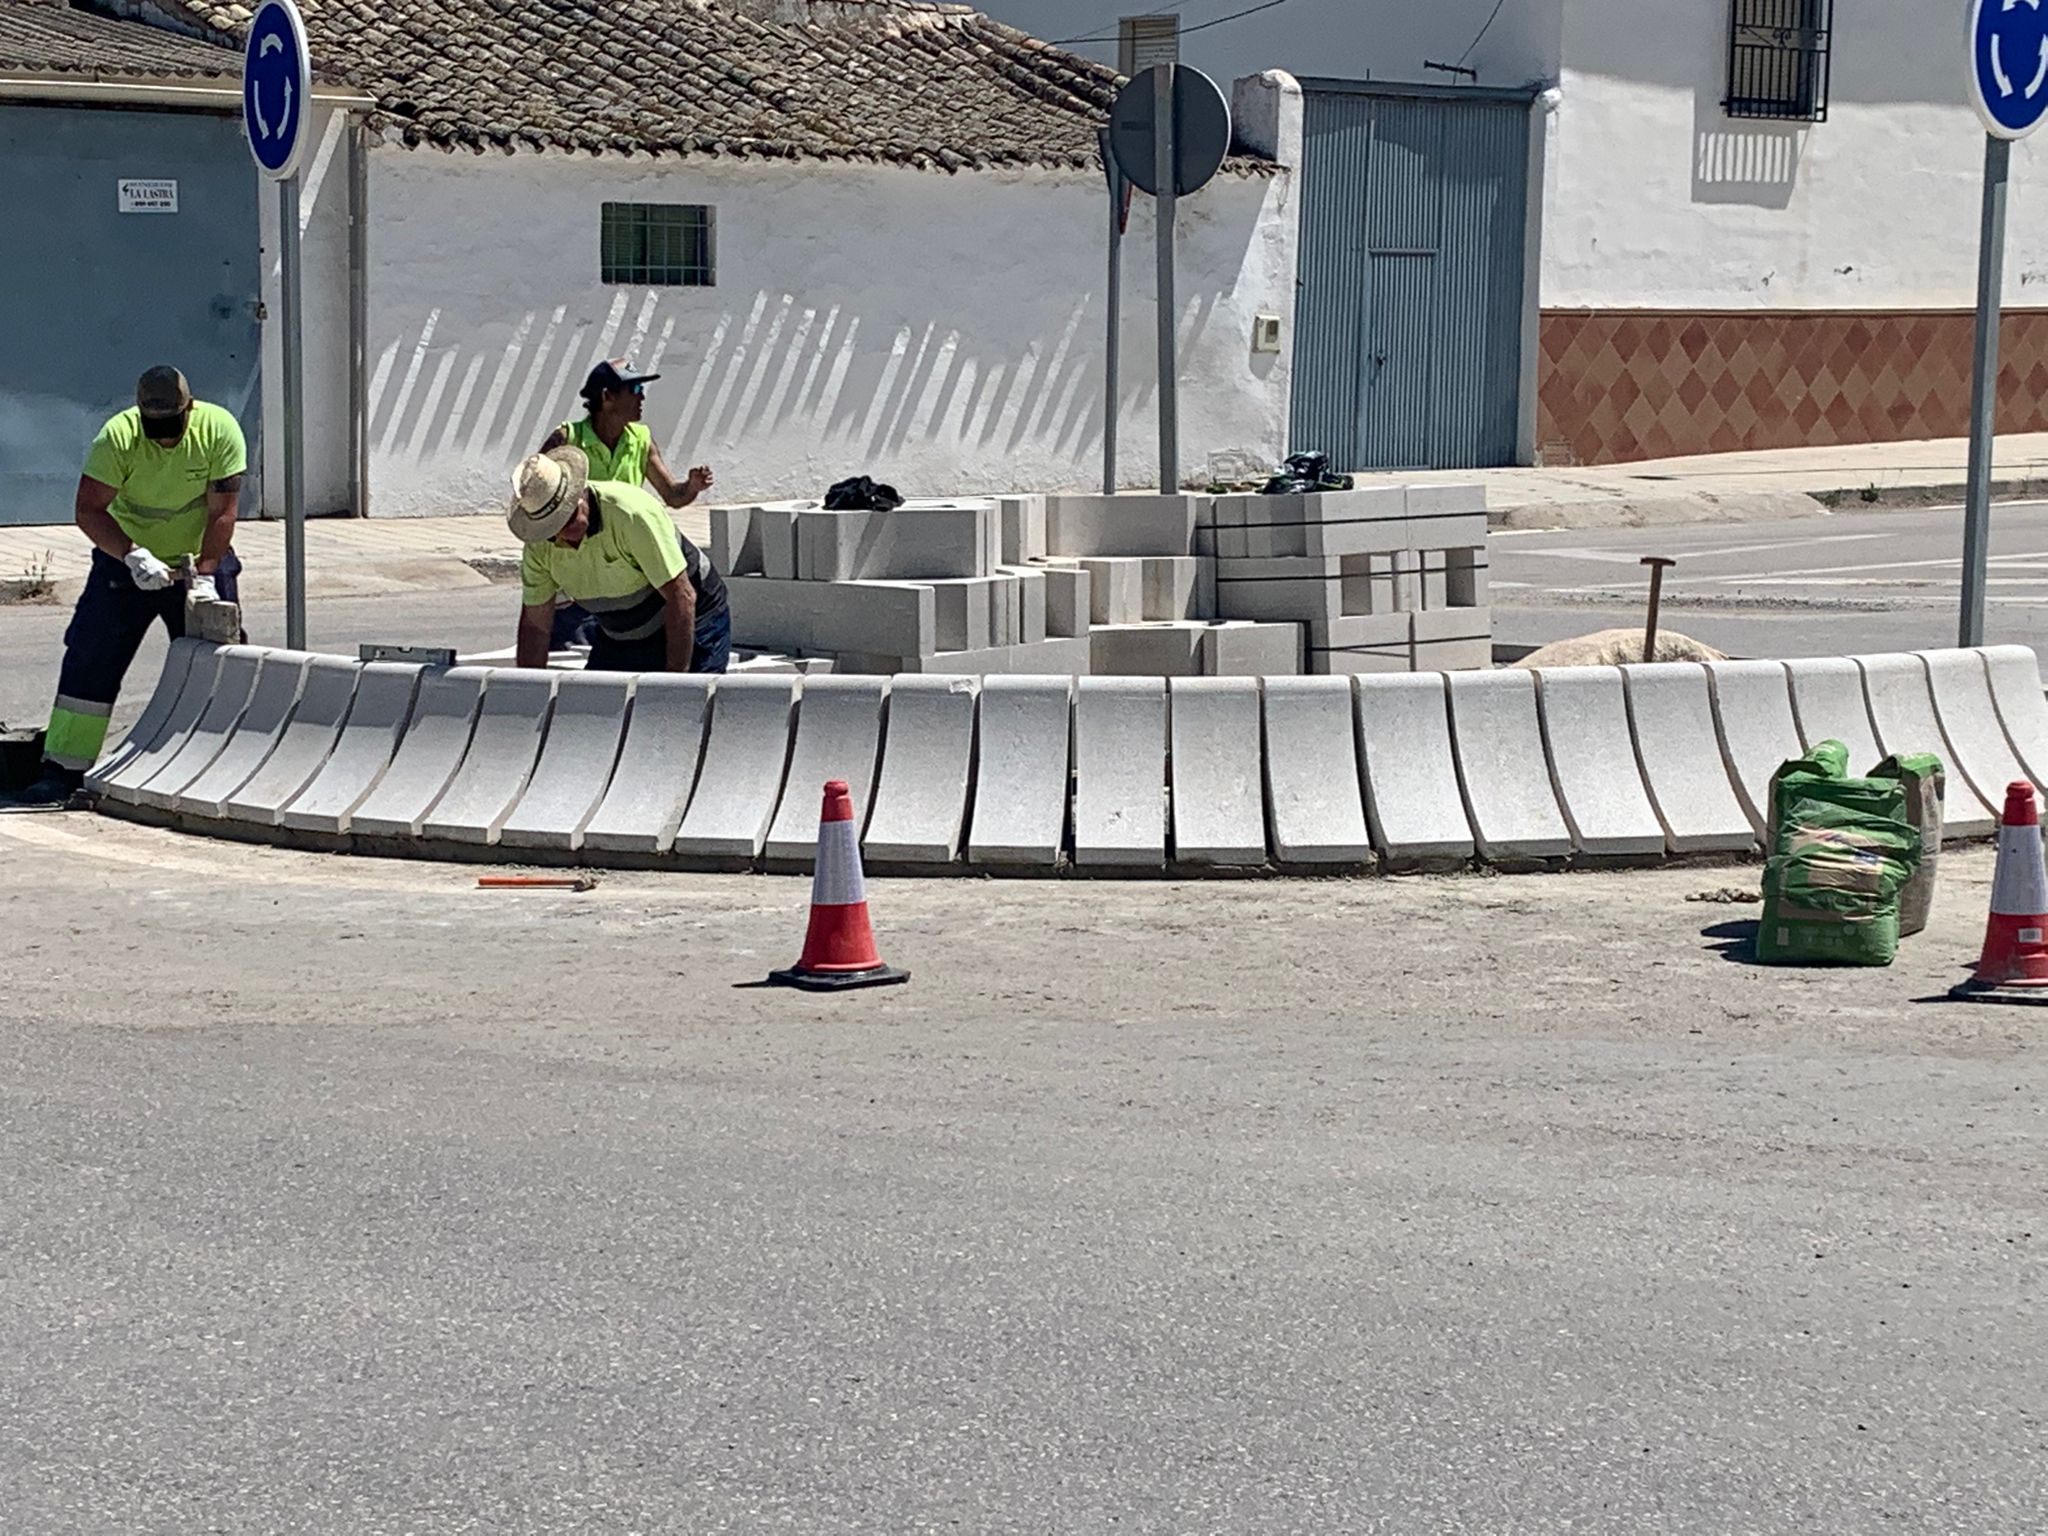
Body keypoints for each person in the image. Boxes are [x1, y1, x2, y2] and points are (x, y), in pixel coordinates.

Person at [9, 366, 245, 806]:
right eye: (155, 426)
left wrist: (207, 576)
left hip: (199, 565)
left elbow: (222, 513)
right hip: (127, 565)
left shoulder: (219, 431)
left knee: (218, 667)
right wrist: (133, 555)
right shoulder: (117, 438)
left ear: (188, 409)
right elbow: (89, 510)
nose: (165, 436)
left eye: (172, 424)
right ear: (140, 414)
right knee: (91, 658)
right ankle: (63, 769)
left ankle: (219, 766)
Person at [507, 445, 730, 674]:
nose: (567, 528)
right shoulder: (539, 547)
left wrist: (672, 684)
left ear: (580, 493)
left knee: (684, 705)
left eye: (570, 515)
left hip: (694, 618)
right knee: (598, 706)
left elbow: (681, 596)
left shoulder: (631, 514)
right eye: (556, 525)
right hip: (621, 632)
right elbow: (536, 627)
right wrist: (528, 693)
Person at [539, 359, 713, 650]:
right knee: (572, 662)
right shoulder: (568, 439)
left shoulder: (641, 440)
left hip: (621, 568)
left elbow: (672, 495)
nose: (642, 396)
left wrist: (692, 487)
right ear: (607, 397)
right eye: (635, 388)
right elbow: (539, 496)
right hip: (578, 575)